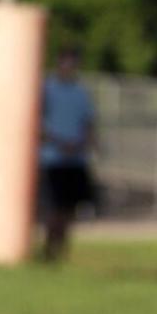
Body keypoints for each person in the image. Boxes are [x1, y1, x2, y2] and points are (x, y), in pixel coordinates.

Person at [39, 44, 97, 261]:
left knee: (70, 207)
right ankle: (49, 250)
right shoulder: (47, 90)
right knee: (55, 206)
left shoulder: (81, 93)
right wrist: (58, 142)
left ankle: (60, 249)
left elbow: (88, 123)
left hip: (76, 159)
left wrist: (86, 144)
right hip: (54, 158)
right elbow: (38, 122)